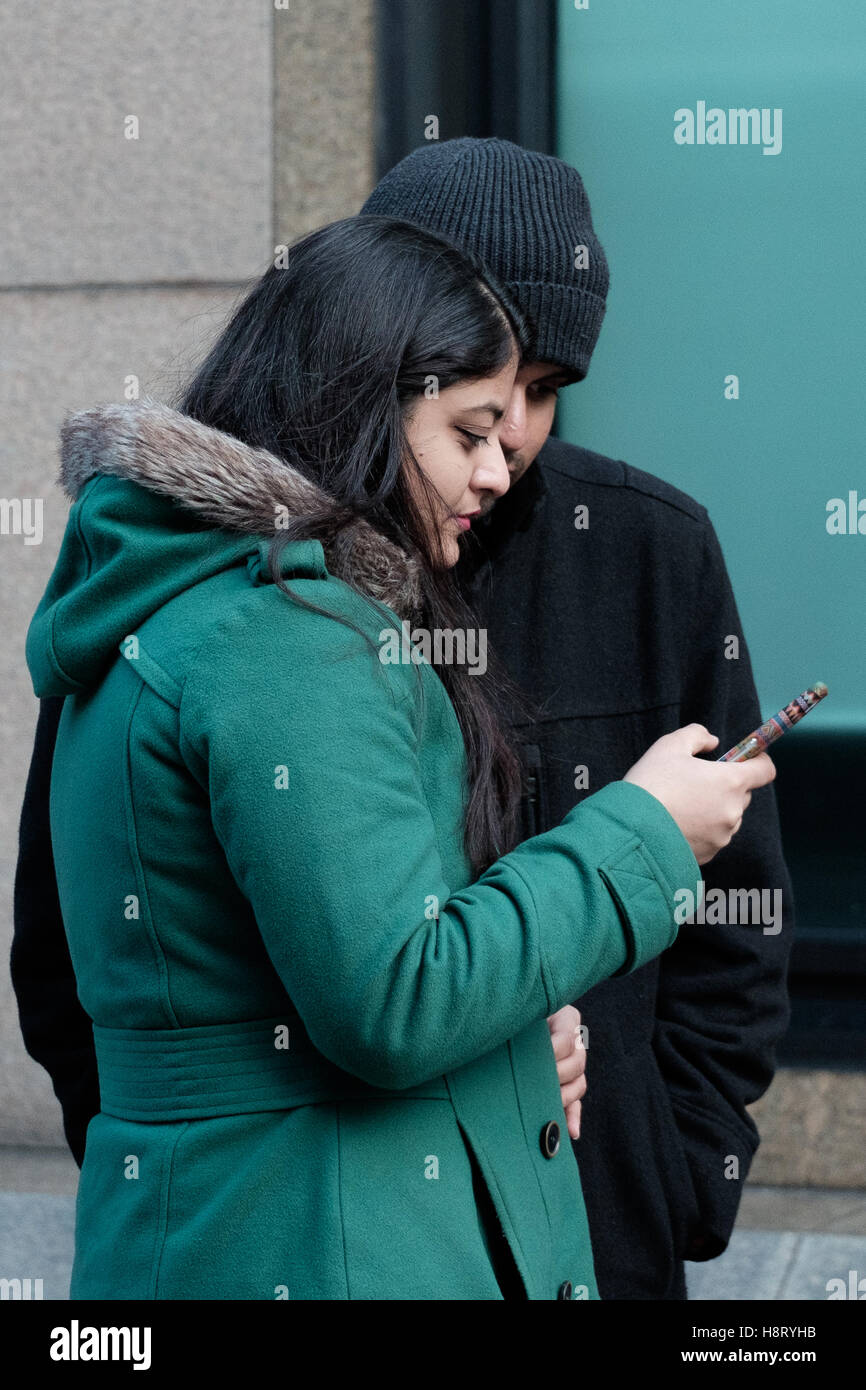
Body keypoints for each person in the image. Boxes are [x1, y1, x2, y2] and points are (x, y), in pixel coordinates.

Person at [17, 215, 772, 1300]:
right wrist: (644, 829)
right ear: (370, 401)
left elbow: (319, 969)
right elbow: (397, 997)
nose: (496, 467)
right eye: (467, 430)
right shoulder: (286, 635)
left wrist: (505, 1062)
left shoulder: (186, 601)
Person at [361, 138, 796, 1299]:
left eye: (545, 392)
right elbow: (91, 944)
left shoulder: (652, 550)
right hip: (347, 1242)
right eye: (480, 398)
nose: (510, 440)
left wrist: (672, 1168)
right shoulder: (254, 591)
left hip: (602, 1249)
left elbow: (738, 915)